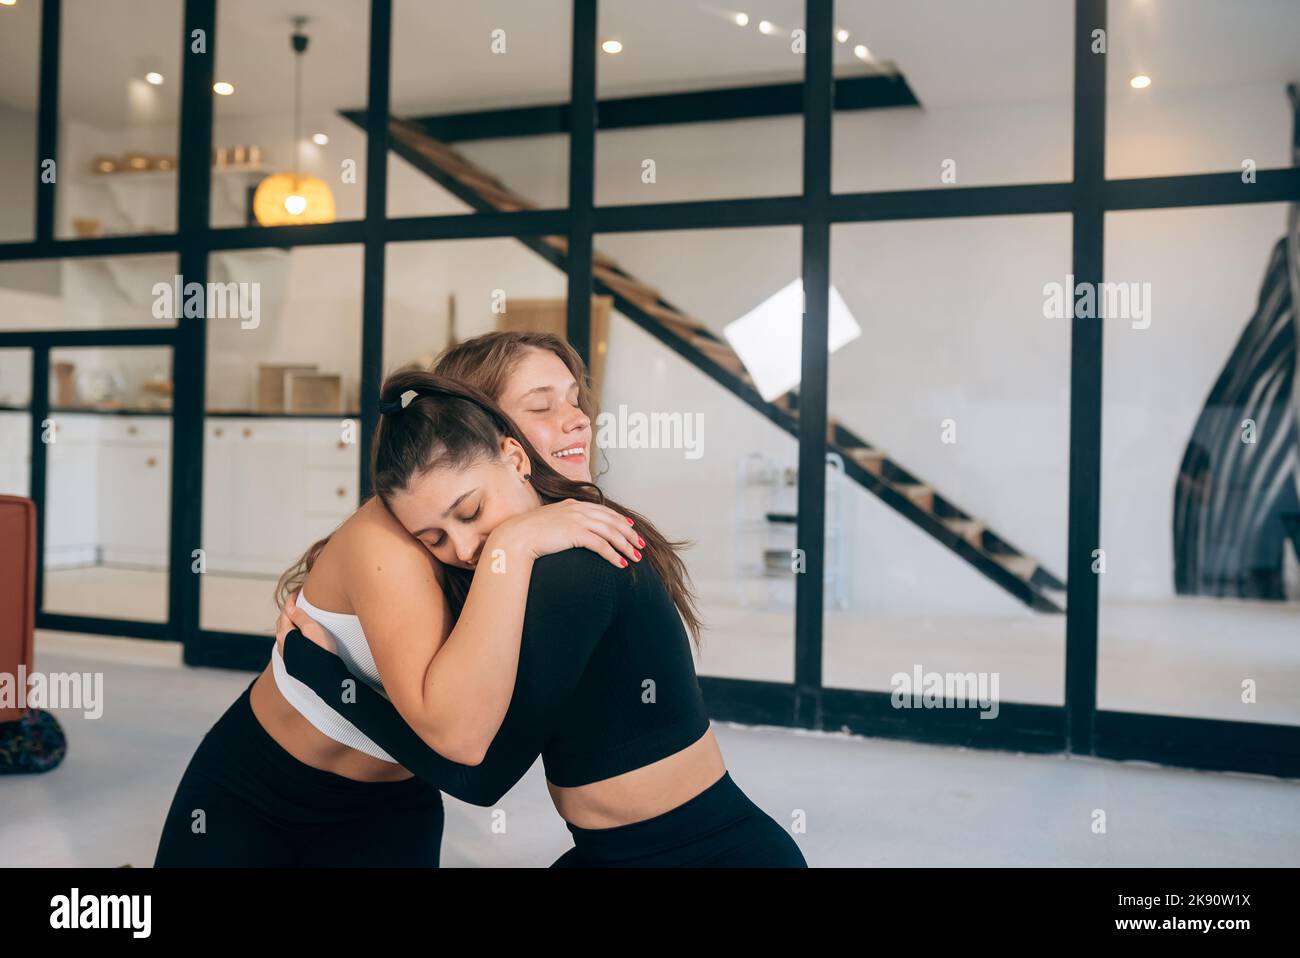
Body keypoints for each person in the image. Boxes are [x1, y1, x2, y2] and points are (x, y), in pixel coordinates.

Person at [279, 369, 807, 867]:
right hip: (610, 852)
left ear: (514, 457)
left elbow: (479, 777)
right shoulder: (519, 573)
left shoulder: (573, 569)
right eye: (433, 538)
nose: (463, 547)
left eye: (471, 512)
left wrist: (320, 673)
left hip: (705, 854)